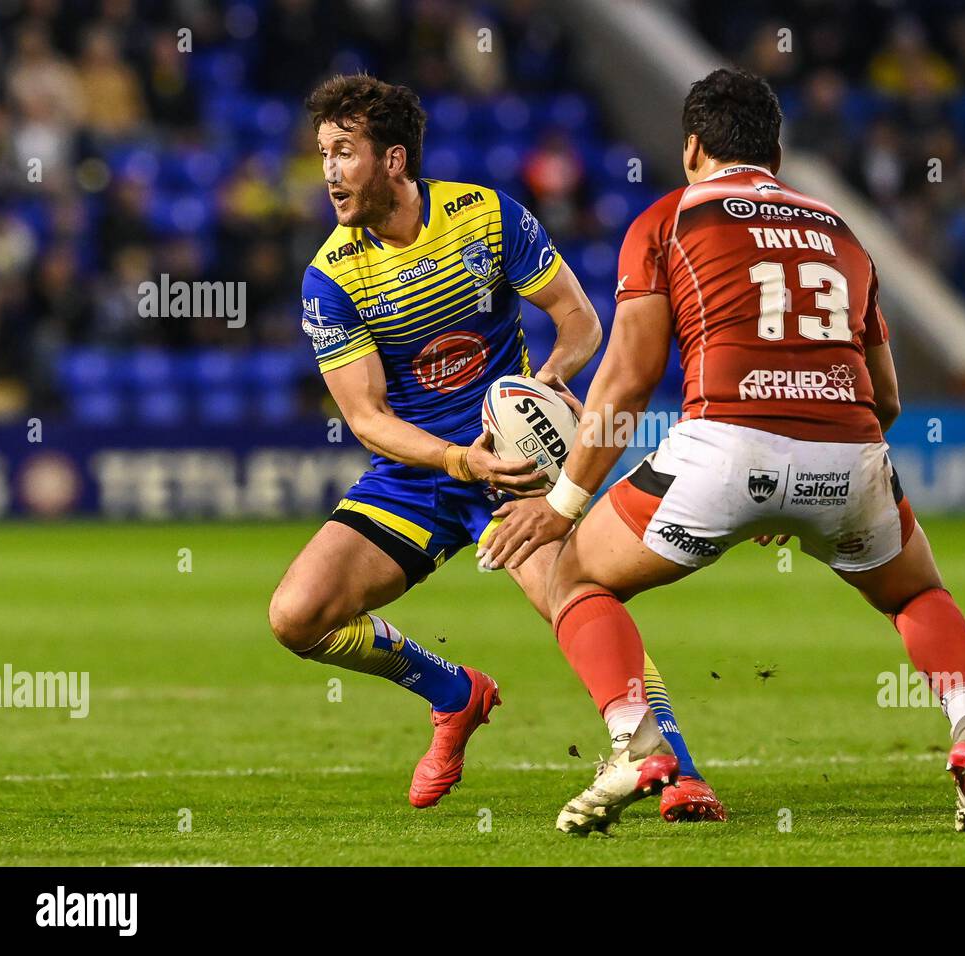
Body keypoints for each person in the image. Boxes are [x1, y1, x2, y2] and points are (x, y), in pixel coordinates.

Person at [486, 68, 965, 835]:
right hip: (850, 454)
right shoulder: (841, 232)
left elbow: (628, 384)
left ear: (694, 145)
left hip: (722, 452)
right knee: (916, 594)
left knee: (570, 578)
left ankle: (637, 743)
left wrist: (563, 505)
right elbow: (887, 398)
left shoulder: (667, 220)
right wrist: (800, 473)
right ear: (776, 151)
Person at [267, 74, 724, 821]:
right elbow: (368, 418)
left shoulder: (483, 217)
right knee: (298, 616)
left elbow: (580, 321)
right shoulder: (331, 275)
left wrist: (540, 388)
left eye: (343, 152)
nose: (328, 172)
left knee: (577, 601)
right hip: (419, 470)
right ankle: (454, 693)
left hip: (511, 470)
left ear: (392, 160)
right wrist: (456, 459)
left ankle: (681, 773)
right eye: (322, 154)